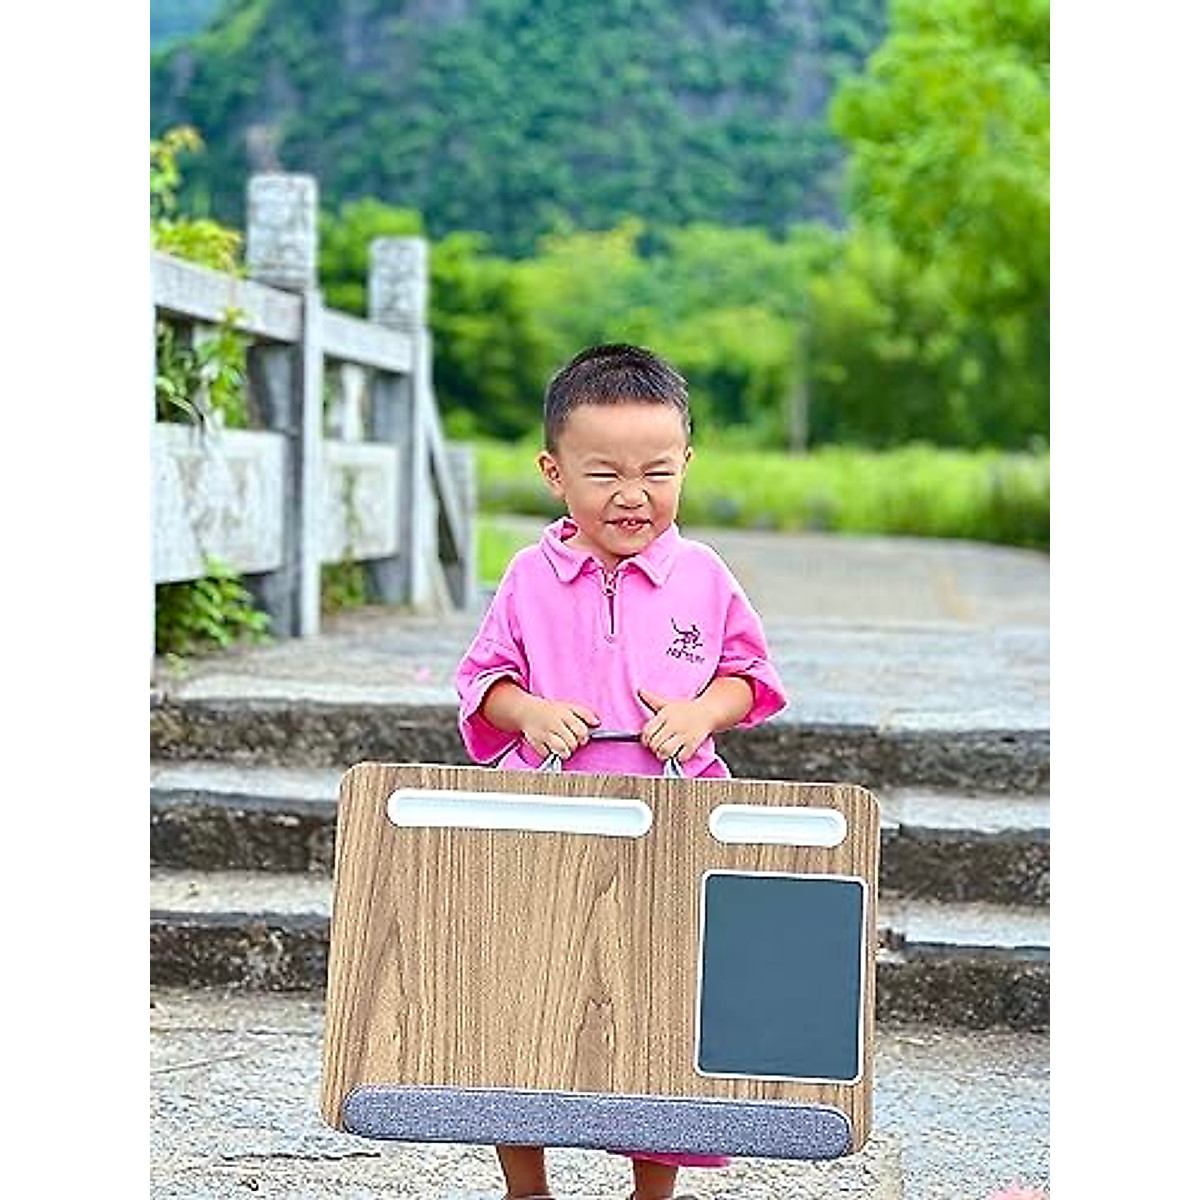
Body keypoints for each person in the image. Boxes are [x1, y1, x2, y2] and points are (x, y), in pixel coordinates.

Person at [455, 343, 789, 1200]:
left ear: (687, 465)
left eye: (656, 472)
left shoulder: (703, 575)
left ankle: (653, 1188)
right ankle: (525, 1183)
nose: (632, 495)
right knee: (523, 992)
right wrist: (530, 713)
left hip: (675, 812)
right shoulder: (529, 576)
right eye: (603, 474)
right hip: (551, 808)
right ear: (554, 473)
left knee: (664, 997)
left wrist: (700, 714)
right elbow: (484, 682)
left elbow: (748, 676)